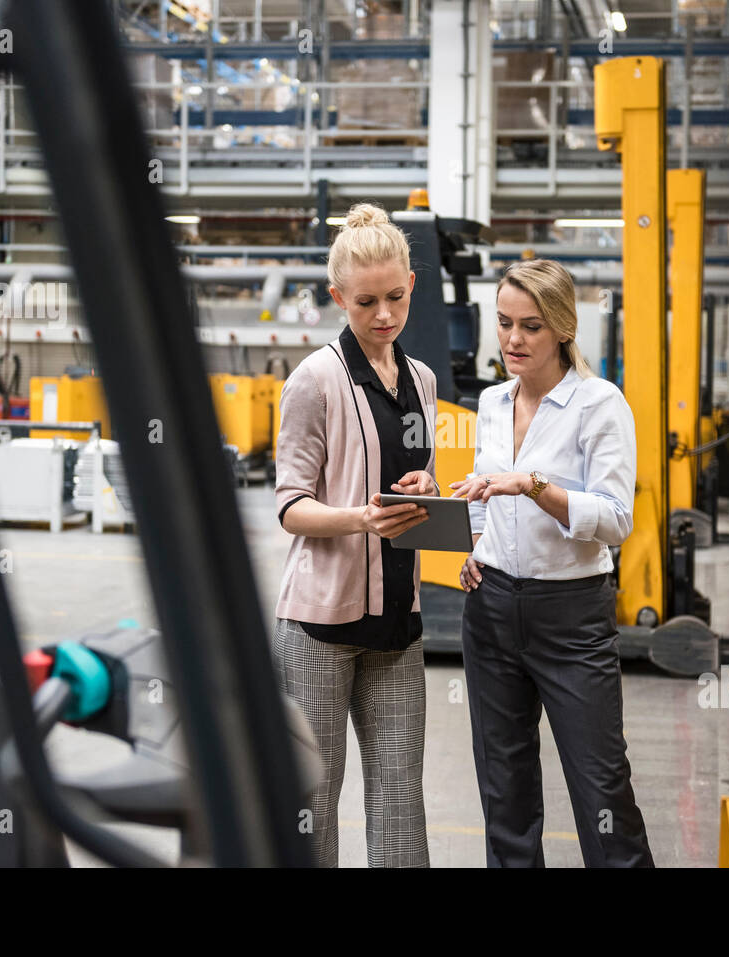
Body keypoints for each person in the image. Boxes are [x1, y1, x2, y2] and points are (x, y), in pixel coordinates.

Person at [451, 258, 655, 867]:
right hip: (490, 611)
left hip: (570, 618)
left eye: (531, 326)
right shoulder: (490, 402)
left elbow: (618, 520)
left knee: (601, 788)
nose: (513, 339)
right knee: (504, 793)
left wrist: (535, 484)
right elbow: (487, 496)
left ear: (563, 328)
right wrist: (475, 548)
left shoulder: (599, 404)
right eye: (505, 323)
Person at [273, 202, 437, 868]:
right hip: (318, 624)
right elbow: (288, 505)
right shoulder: (314, 380)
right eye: (365, 301)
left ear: (411, 286)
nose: (384, 315)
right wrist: (358, 518)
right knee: (313, 799)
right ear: (338, 297)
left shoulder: (423, 380)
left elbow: (417, 473)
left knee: (400, 798)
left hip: (398, 619)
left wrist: (426, 489)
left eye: (395, 297)